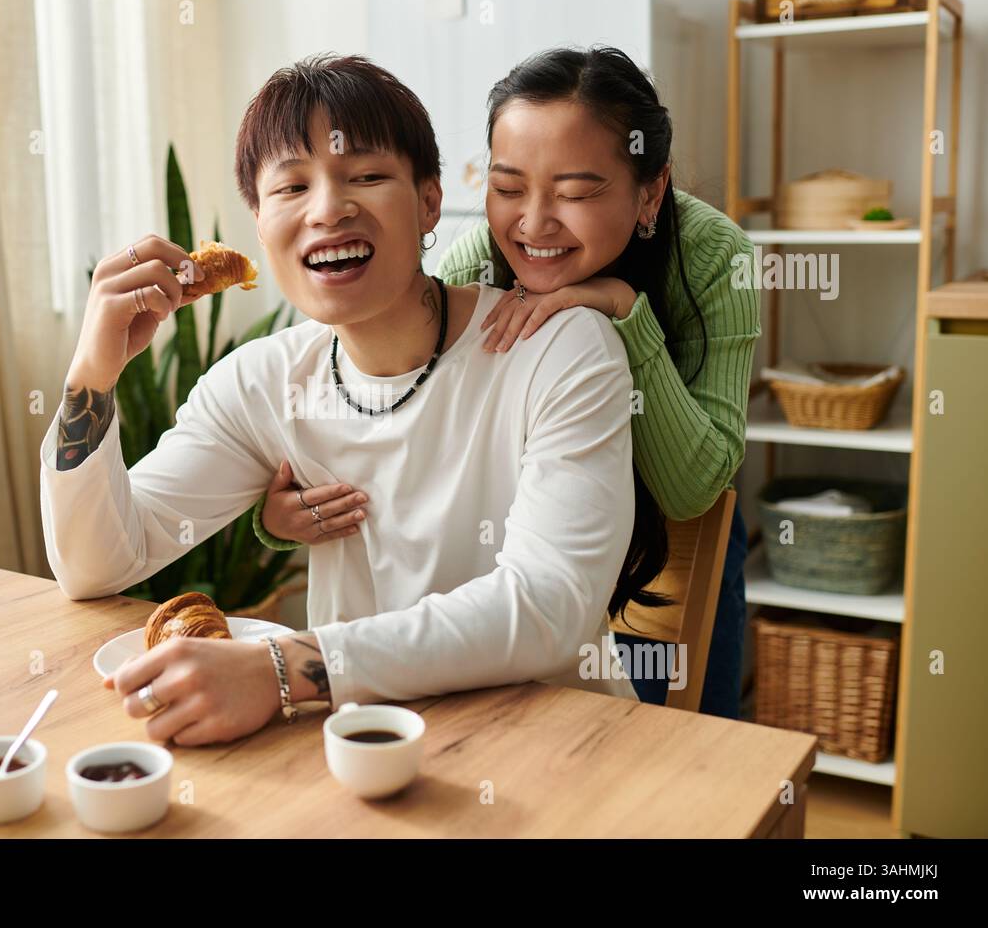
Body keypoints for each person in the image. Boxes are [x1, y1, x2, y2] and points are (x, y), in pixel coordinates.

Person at [40, 55, 649, 748]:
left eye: (365, 176)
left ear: (428, 203)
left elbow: (548, 610)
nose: (328, 209)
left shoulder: (560, 347)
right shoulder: (262, 383)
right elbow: (99, 566)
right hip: (362, 751)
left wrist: (279, 669)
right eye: (292, 186)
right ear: (260, 223)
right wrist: (92, 371)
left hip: (561, 746)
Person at [255, 47, 760, 718]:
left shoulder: (715, 258)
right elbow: (386, 407)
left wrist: (621, 313)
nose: (534, 222)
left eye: (576, 193)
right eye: (509, 187)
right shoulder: (480, 260)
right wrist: (279, 518)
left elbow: (696, 486)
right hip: (528, 539)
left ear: (650, 191)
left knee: (677, 768)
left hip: (663, 549)